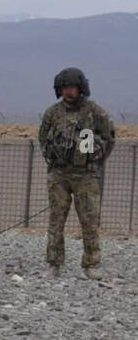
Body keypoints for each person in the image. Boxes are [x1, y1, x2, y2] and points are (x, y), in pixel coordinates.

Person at [37, 67, 115, 280]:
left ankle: (92, 264)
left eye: (71, 87)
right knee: (56, 220)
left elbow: (109, 138)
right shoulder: (52, 113)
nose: (67, 92)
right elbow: (43, 138)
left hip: (86, 176)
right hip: (59, 175)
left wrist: (95, 160)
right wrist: (54, 160)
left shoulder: (94, 112)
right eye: (63, 88)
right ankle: (53, 263)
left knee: (89, 221)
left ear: (80, 88)